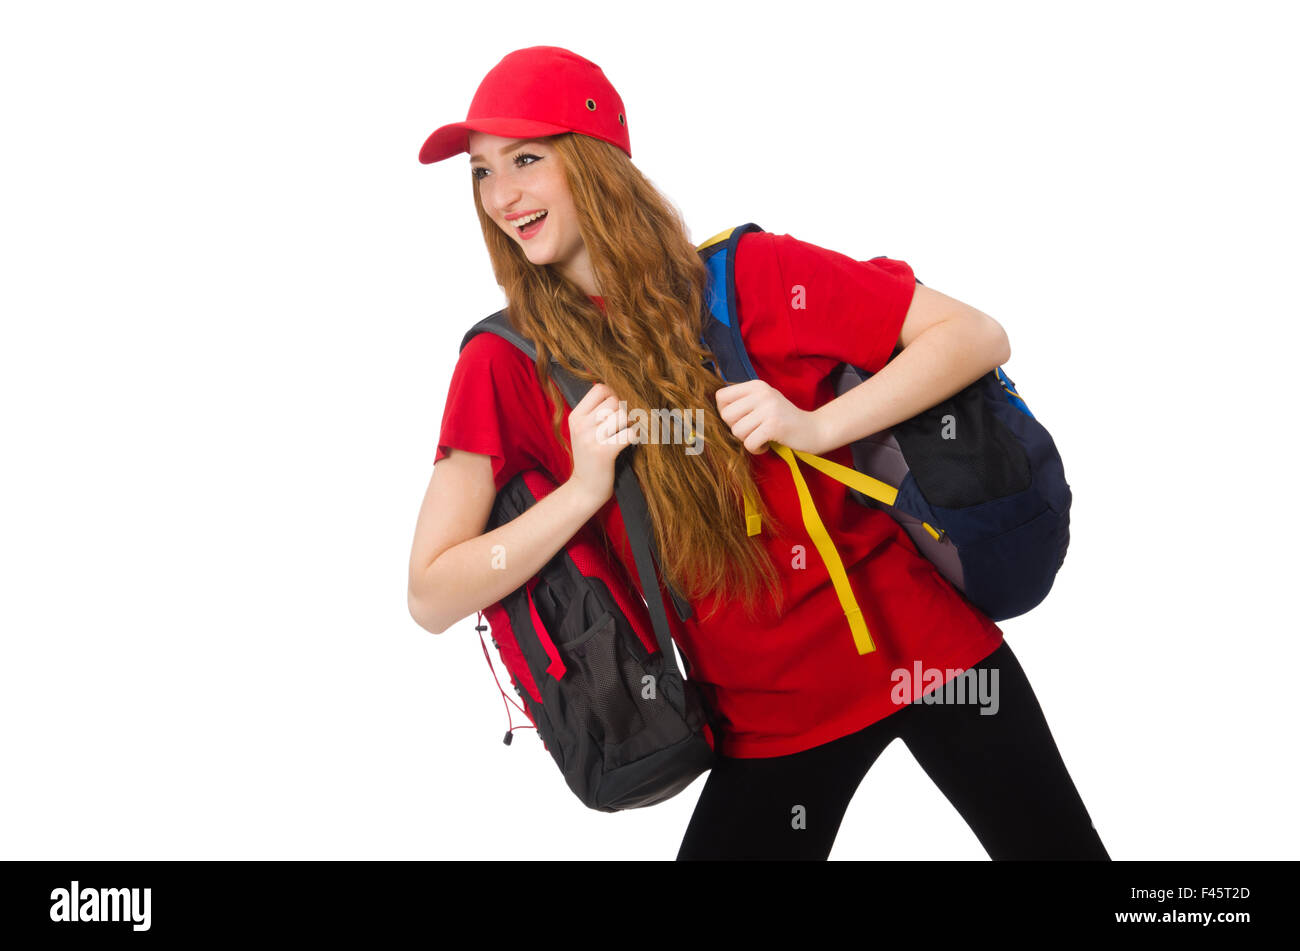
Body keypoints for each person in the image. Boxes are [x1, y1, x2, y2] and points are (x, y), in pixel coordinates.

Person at [407, 45, 1110, 861]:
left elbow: (973, 335)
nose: (502, 195)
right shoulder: (503, 362)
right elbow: (432, 591)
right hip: (768, 721)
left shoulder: (754, 275)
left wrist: (815, 426)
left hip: (929, 653)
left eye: (526, 158)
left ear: (596, 164)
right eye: (484, 171)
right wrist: (582, 490)